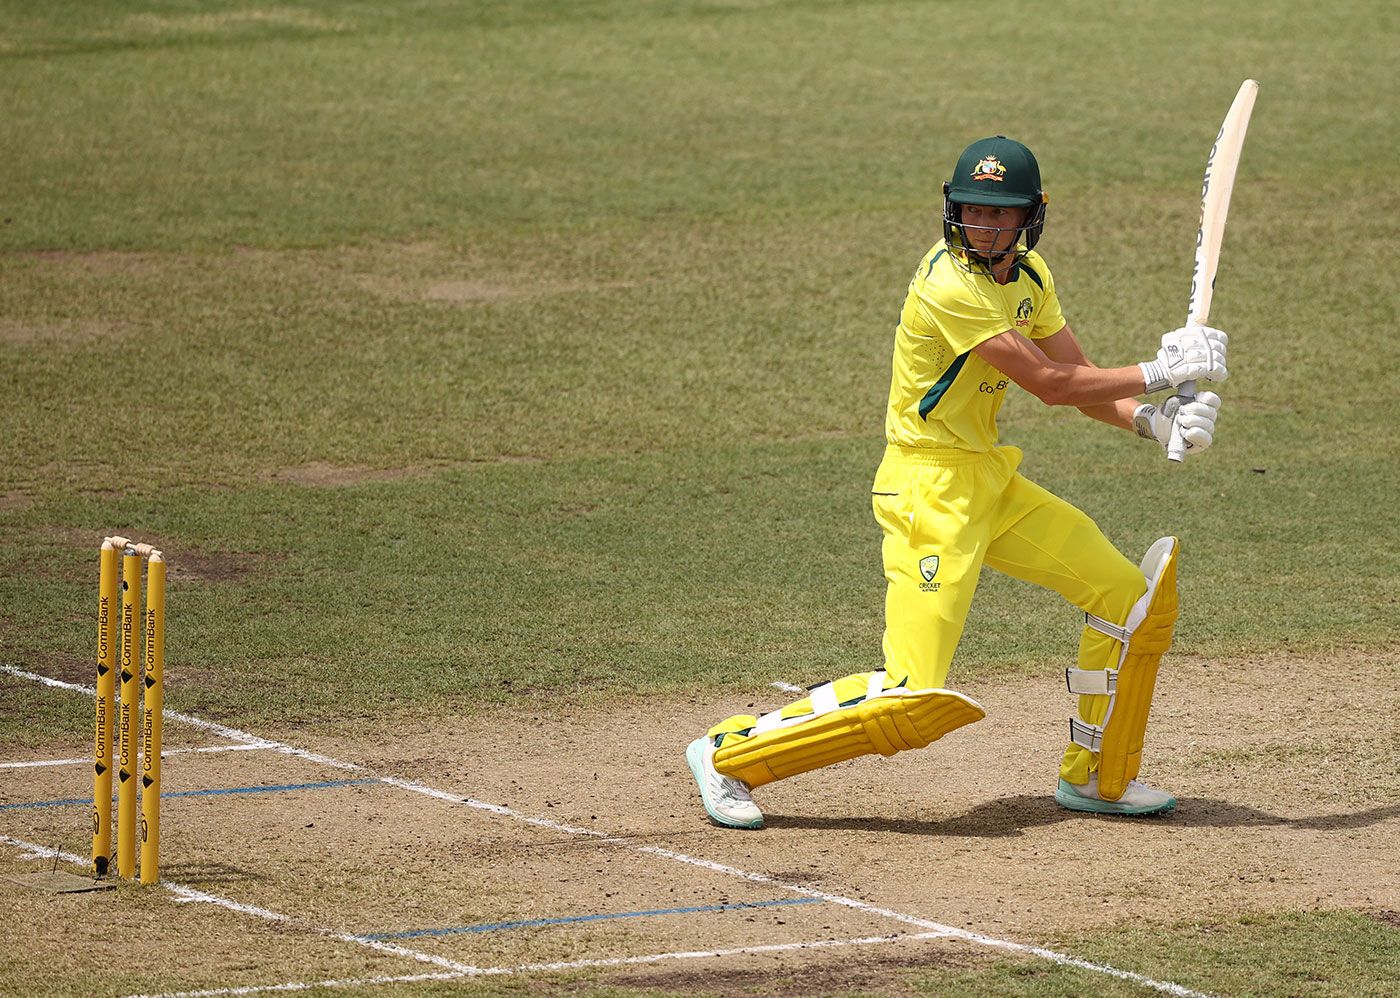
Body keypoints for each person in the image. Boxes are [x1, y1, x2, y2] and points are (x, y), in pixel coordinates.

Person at [686, 135, 1227, 828]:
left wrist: (1154, 421)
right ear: (952, 209)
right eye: (974, 210)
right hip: (927, 494)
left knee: (1125, 597)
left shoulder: (1030, 281)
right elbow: (1051, 386)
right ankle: (727, 752)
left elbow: (1085, 382)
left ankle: (1097, 777)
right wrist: (1160, 370)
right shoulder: (949, 282)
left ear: (1031, 217)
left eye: (1001, 215)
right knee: (913, 698)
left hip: (989, 482)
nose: (985, 226)